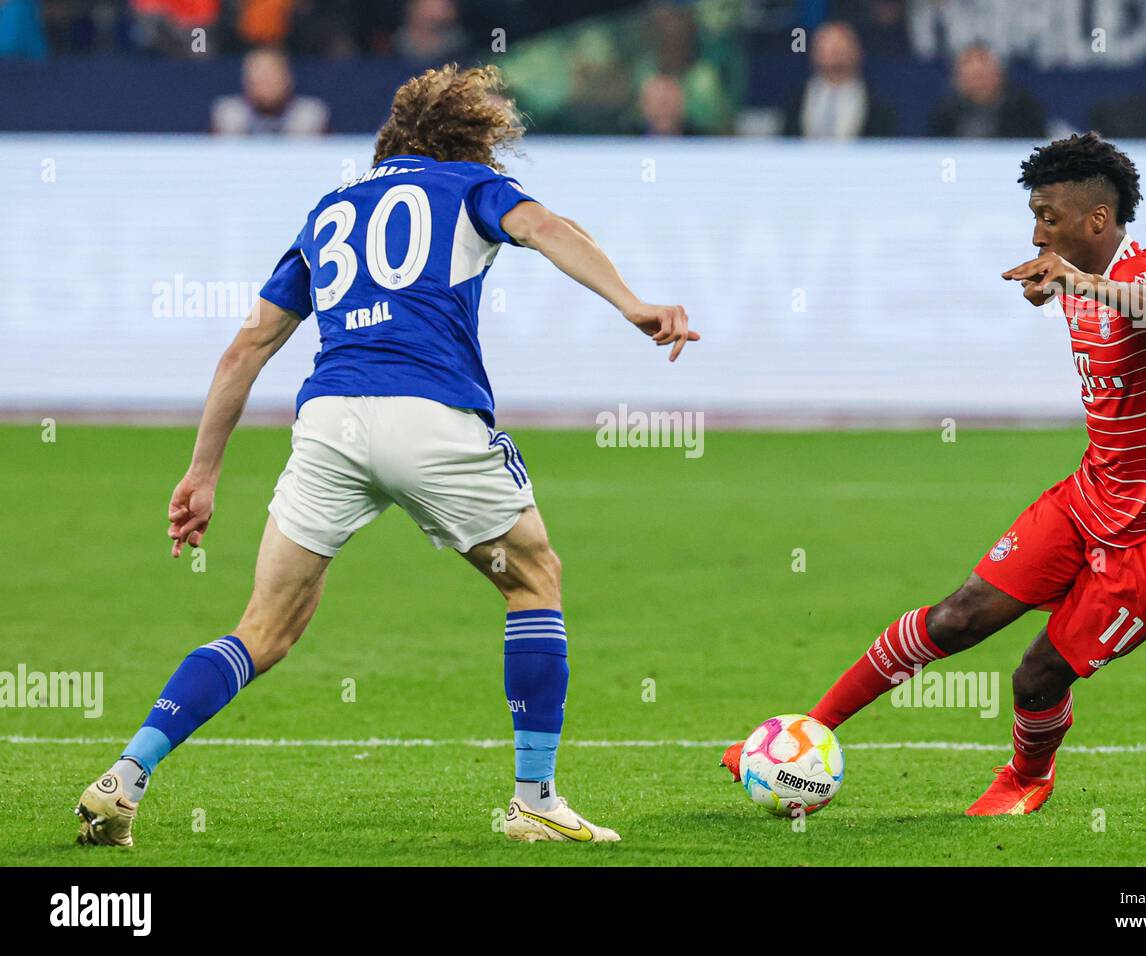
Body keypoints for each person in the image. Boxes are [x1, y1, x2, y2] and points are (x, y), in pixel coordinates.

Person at [76, 64, 698, 847]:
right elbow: (548, 229)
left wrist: (202, 475)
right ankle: (535, 799)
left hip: (329, 423)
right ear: (470, 139)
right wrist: (634, 303)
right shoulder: (471, 187)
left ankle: (125, 778)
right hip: (430, 414)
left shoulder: (331, 210)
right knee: (534, 579)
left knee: (261, 629)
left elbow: (247, 349)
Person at [722, 132, 1146, 816]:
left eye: (1049, 216)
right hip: (1092, 496)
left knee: (1038, 675)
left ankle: (1027, 776)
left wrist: (1077, 282)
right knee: (958, 617)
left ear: (1096, 221)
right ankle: (806, 732)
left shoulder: (1140, 271)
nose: (1037, 230)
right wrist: (1060, 287)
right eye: (1035, 214)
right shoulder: (1070, 278)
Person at [783, 20, 896, 139]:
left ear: (858, 52)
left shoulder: (880, 101)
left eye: (841, 49)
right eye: (828, 50)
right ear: (814, 54)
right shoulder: (795, 97)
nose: (835, 56)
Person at [928, 43, 1046, 139]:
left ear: (998, 75)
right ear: (958, 80)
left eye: (981, 76)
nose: (978, 85)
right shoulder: (946, 113)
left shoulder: (1022, 109)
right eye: (971, 78)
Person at [211, 47, 329, 136]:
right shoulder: (229, 114)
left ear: (287, 79)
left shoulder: (309, 114)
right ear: (246, 81)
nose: (266, 85)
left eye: (272, 77)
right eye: (259, 78)